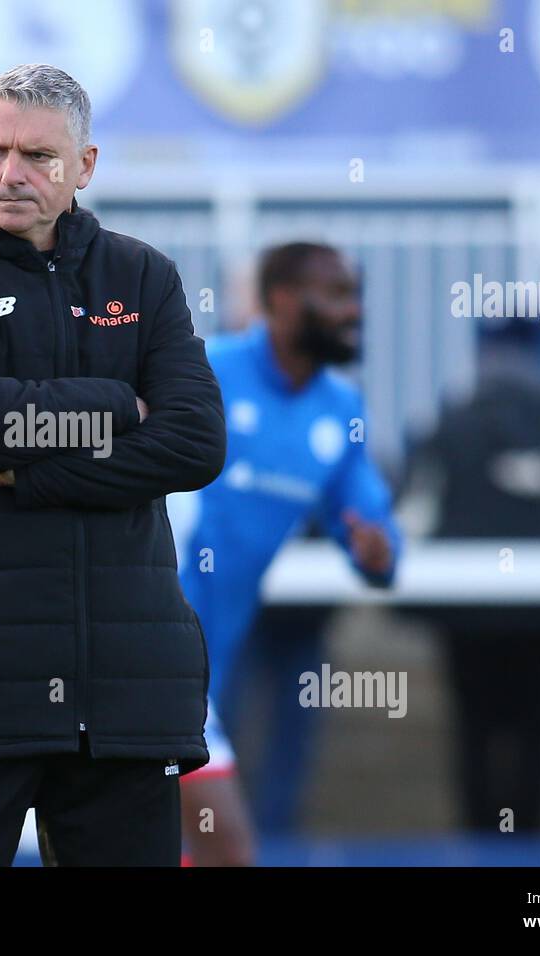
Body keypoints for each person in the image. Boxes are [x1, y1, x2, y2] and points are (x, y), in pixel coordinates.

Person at [0, 63, 226, 866]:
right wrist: (113, 408)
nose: (11, 174)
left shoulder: (142, 275)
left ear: (85, 166)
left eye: (38, 156)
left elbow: (195, 442)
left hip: (128, 690)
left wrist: (28, 470)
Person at [177, 242, 401, 856]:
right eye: (334, 294)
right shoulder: (204, 371)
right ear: (279, 300)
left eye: (353, 294)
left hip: (200, 675)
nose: (352, 309)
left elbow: (370, 522)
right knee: (227, 850)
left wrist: (378, 553)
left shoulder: (340, 412)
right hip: (139, 656)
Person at [398, 315, 540, 834]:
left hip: (469, 622)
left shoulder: (452, 426)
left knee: (475, 734)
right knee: (537, 736)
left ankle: (484, 841)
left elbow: (411, 520)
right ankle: (528, 842)